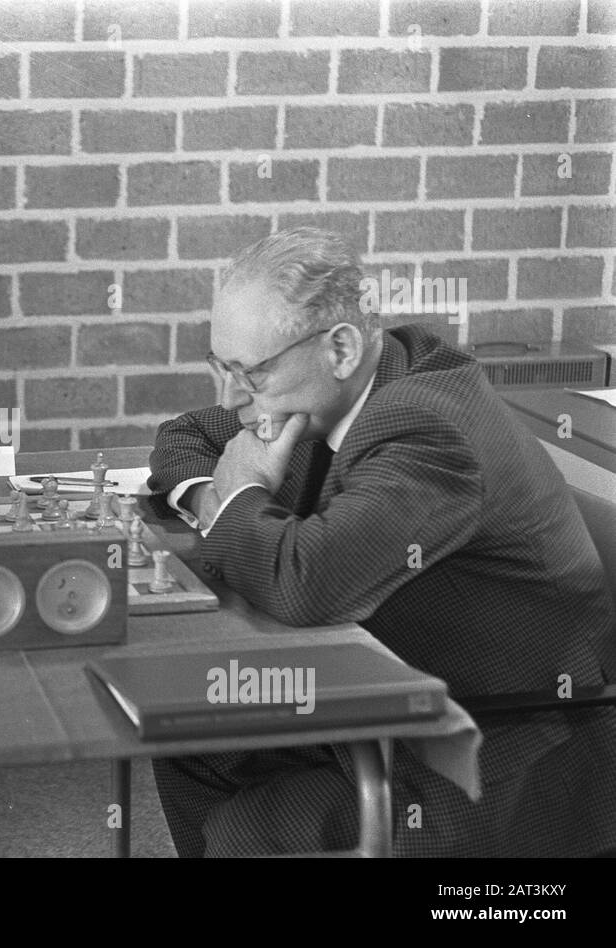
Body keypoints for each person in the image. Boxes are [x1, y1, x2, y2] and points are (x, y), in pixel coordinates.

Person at [147, 227, 616, 857]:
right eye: (220, 368)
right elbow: (184, 436)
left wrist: (240, 496)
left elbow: (303, 583)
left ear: (340, 347)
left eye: (249, 373)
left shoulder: (424, 426)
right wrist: (214, 496)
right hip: (410, 683)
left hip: (504, 747)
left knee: (250, 831)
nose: (230, 397)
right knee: (191, 741)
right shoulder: (346, 384)